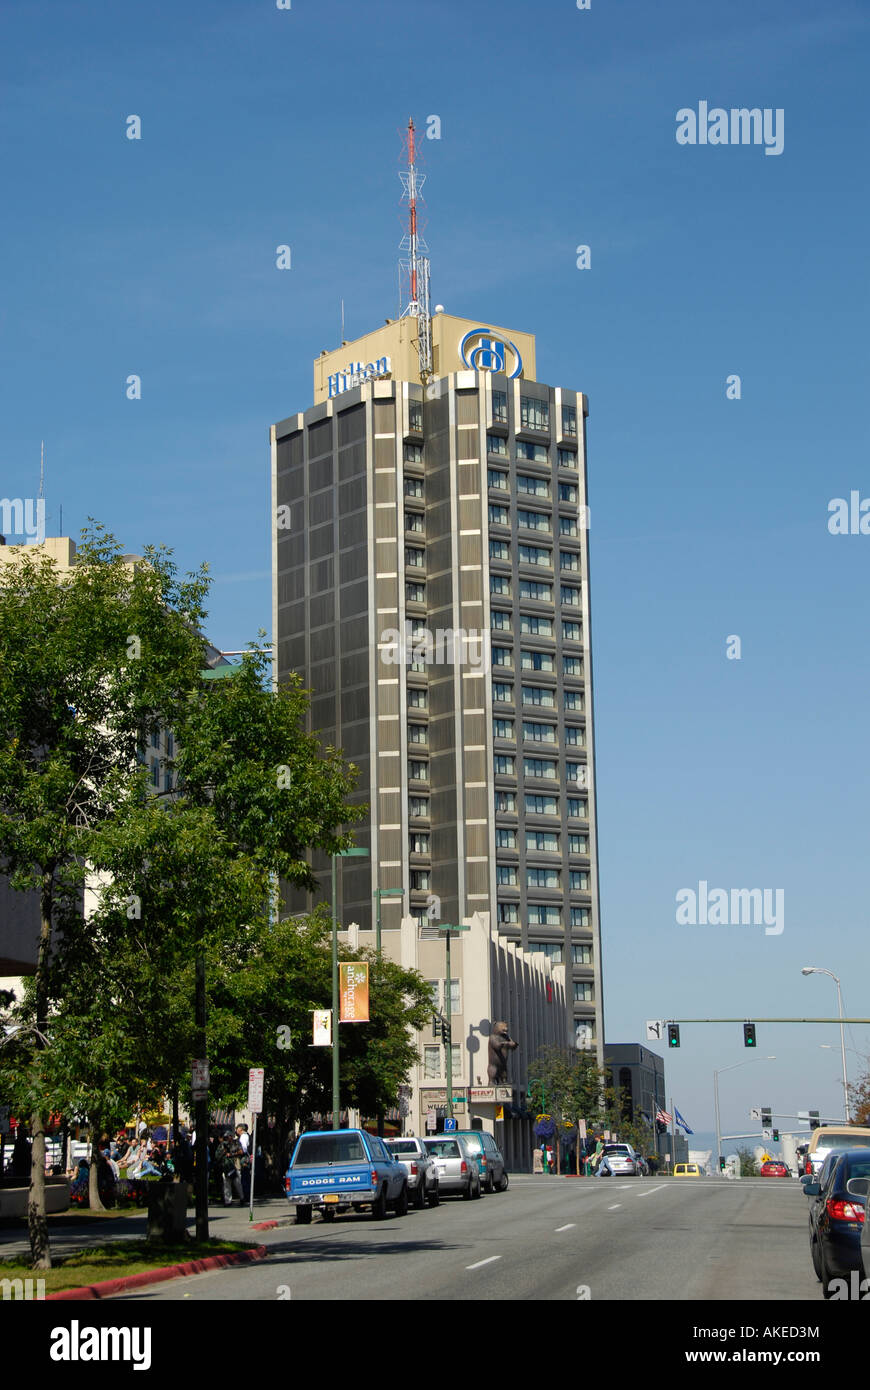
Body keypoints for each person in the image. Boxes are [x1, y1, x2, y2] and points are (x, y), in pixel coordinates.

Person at [215, 1130, 243, 1206]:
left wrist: (231, 1154)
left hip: (235, 1164)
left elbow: (241, 1151)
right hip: (225, 1166)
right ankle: (228, 1201)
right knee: (226, 1183)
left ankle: (242, 1198)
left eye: (228, 1137)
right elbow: (217, 1155)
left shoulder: (236, 1142)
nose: (227, 1139)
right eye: (226, 1137)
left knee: (237, 1182)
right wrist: (223, 1153)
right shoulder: (222, 1145)